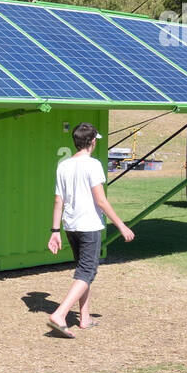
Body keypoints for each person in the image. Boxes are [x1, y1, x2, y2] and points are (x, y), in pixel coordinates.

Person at [46, 123, 135, 337]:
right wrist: (121, 225)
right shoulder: (93, 165)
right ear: (92, 141)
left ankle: (84, 318)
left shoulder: (63, 165)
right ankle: (60, 314)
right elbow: (101, 200)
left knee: (82, 271)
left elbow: (59, 201)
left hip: (71, 226)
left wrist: (55, 230)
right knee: (87, 271)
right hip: (89, 225)